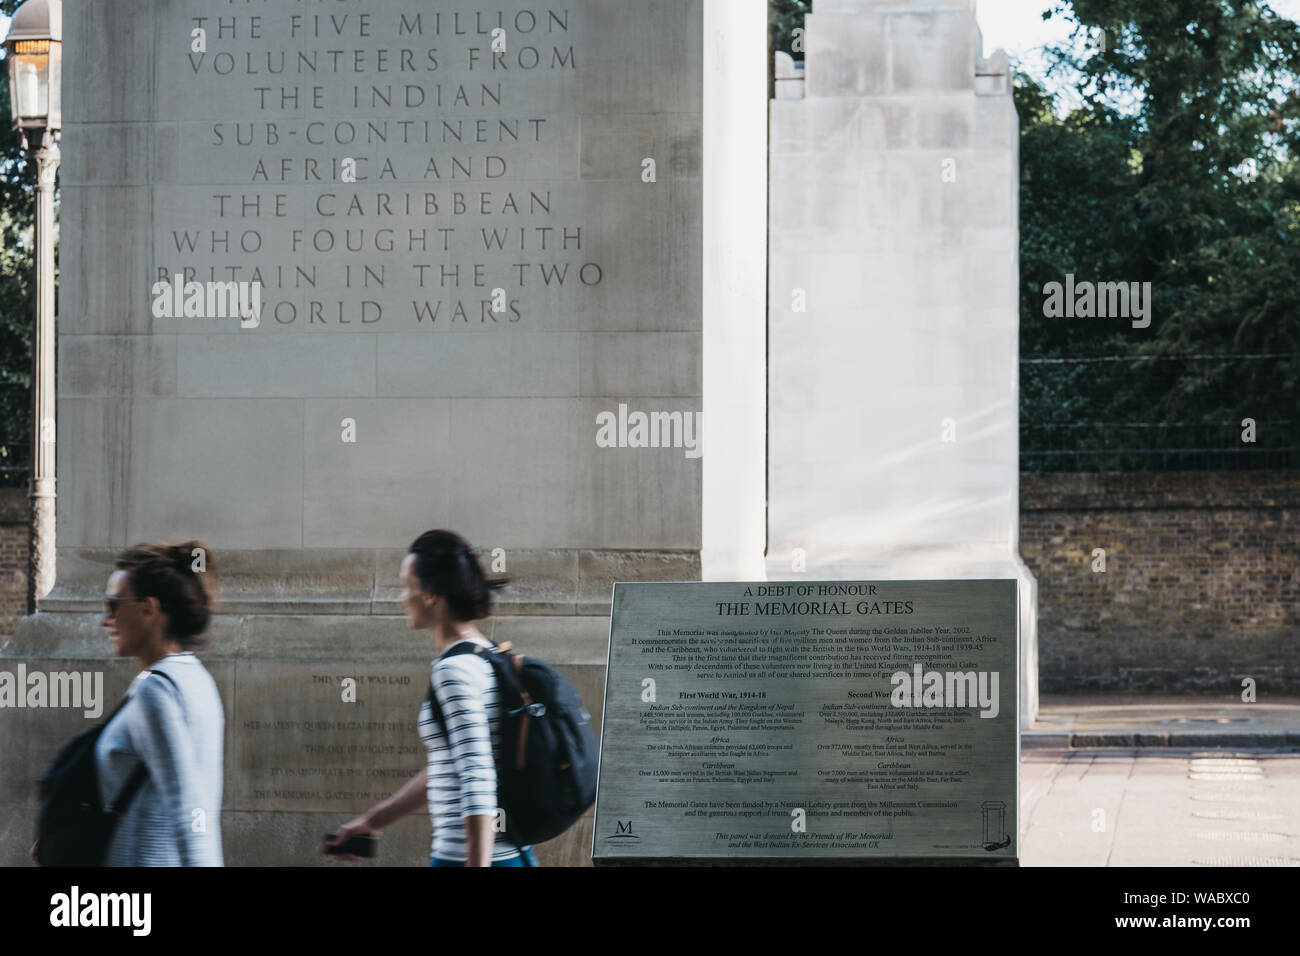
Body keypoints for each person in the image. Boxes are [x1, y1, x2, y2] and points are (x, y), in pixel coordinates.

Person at [329, 530, 537, 866]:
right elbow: (451, 765)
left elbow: (478, 778)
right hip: (508, 855)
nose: (401, 598)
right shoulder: (488, 655)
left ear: (430, 594)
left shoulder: (454, 670)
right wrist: (373, 822)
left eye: (405, 585)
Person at [93, 541, 225, 866]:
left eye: (113, 605)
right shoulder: (196, 678)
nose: (105, 620)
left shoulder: (156, 690)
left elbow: (190, 810)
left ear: (149, 610)